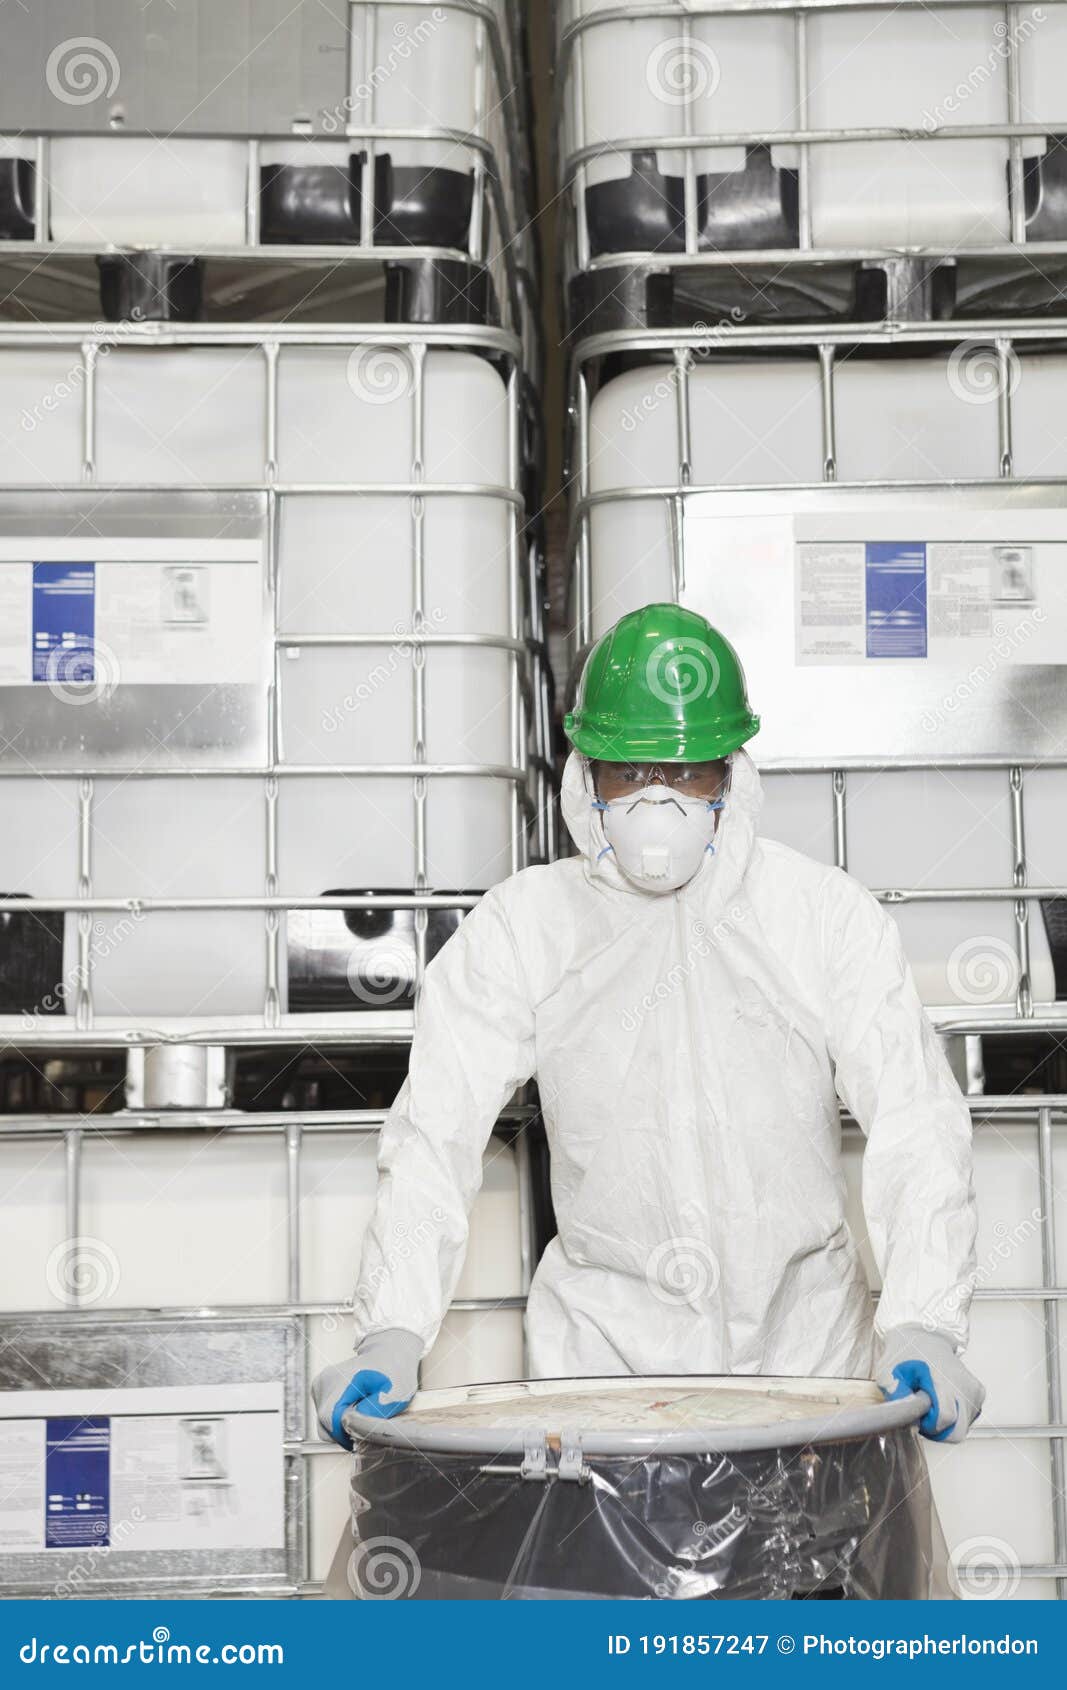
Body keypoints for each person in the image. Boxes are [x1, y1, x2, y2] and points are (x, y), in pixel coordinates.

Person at [313, 604, 983, 1449]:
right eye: (627, 774)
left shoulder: (818, 915)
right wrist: (393, 1328)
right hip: (603, 1366)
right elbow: (434, 1134)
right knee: (603, 1580)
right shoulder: (527, 926)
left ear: (729, 776)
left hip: (809, 1361)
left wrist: (923, 1320)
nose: (655, 803)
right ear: (584, 776)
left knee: (814, 1580)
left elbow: (914, 1117)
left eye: (686, 773)